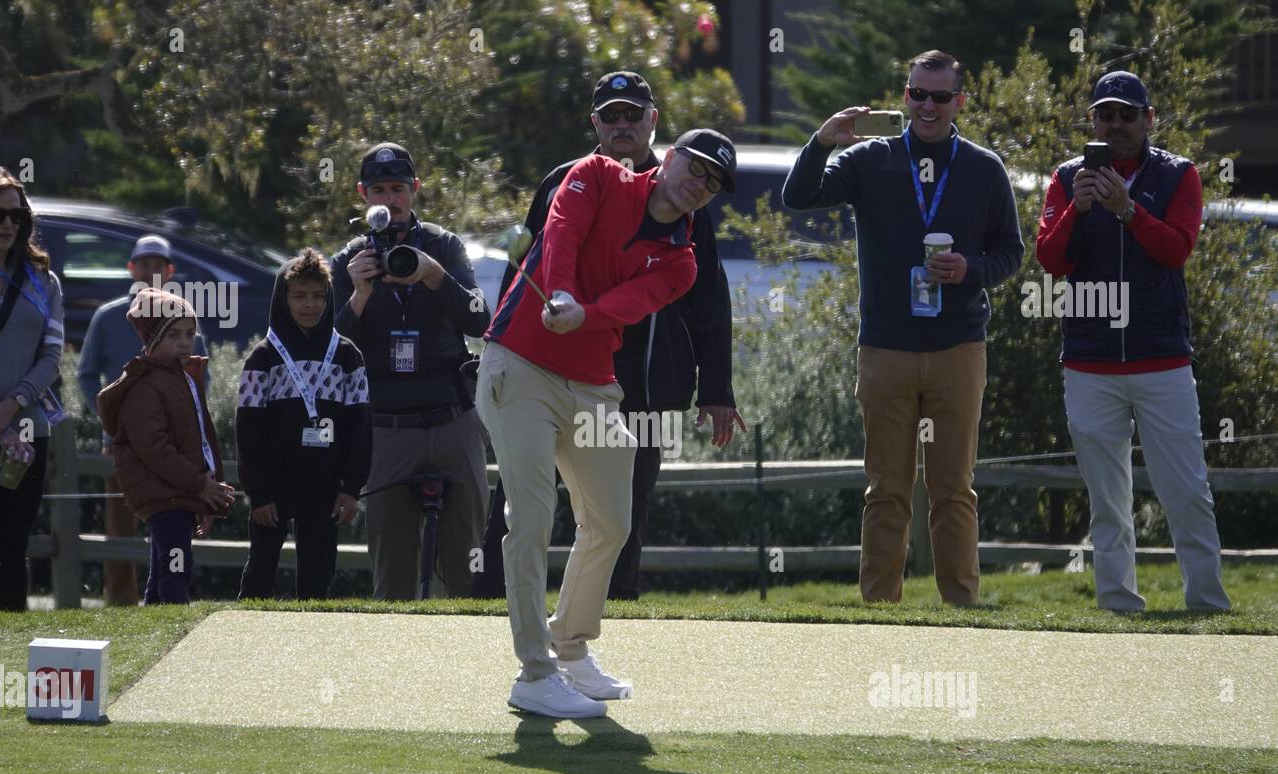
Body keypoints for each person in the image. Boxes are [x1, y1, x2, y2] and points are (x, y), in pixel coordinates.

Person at [478, 128, 736, 718]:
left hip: (593, 385)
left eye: (713, 182)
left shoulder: (682, 261)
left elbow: (631, 304)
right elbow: (562, 232)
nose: (700, 185)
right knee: (532, 517)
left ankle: (569, 645)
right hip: (518, 366)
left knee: (612, 522)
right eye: (695, 168)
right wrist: (562, 292)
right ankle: (534, 673)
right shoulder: (596, 174)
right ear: (669, 159)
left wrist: (585, 314)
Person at [472, 70, 745, 601]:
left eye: (633, 113)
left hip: (636, 388)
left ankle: (605, 625)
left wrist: (718, 389)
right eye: (611, 115)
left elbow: (708, 297)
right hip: (544, 367)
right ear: (595, 122)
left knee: (620, 517)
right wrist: (496, 343)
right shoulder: (570, 177)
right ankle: (489, 608)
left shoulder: (690, 194)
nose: (622, 124)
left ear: (653, 122)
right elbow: (531, 260)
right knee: (521, 501)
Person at [783, 50, 1024, 605]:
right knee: (887, 490)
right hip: (885, 348)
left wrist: (970, 270)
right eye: (918, 94)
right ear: (905, 94)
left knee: (953, 490)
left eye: (941, 96)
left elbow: (1011, 254)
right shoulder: (870, 159)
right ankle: (878, 611)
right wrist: (823, 141)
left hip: (958, 347)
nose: (927, 106)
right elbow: (797, 198)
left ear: (960, 101)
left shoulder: (984, 167)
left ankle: (961, 606)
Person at [1036, 71, 1230, 612]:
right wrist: (1080, 209)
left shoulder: (1179, 175)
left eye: (1126, 114)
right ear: (1093, 121)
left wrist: (1127, 209)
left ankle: (1208, 604)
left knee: (1187, 491)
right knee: (1107, 502)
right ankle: (1119, 603)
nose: (1115, 125)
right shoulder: (1067, 177)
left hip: (1161, 359)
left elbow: (1176, 250)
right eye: (1105, 114)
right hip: (1090, 363)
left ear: (1149, 119)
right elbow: (1051, 260)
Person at [330, 143, 489, 599]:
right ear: (363, 195)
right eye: (378, 190)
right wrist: (359, 294)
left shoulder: (444, 246)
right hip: (386, 429)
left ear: (415, 190)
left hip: (452, 418)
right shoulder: (347, 261)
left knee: (465, 569)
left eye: (398, 189)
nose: (389, 200)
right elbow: (328, 355)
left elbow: (481, 319)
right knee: (392, 576)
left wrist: (436, 276)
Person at [77, 235, 207, 606]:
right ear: (131, 268)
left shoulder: (183, 316)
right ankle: (121, 602)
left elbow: (200, 377)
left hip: (173, 446)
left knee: (171, 524)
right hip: (119, 443)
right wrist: (112, 422)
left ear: (170, 271)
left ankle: (156, 602)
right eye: (143, 263)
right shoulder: (108, 315)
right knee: (121, 526)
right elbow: (86, 375)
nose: (151, 270)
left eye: (159, 264)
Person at [236, 248, 372, 599]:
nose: (310, 305)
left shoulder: (347, 355)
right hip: (273, 487)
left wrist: (351, 487)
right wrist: (258, 492)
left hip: (326, 487)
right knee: (259, 574)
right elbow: (247, 429)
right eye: (299, 296)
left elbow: (360, 426)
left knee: (317, 577)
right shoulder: (262, 358)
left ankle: (313, 647)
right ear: (283, 299)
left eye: (318, 296)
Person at [97, 289, 235, 604]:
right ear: (152, 340)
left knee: (163, 570)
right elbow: (155, 450)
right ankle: (174, 622)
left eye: (190, 333)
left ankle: (157, 621)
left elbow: (197, 438)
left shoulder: (183, 379)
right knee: (176, 566)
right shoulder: (144, 386)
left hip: (180, 493)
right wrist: (199, 485)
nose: (185, 342)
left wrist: (202, 494)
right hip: (164, 494)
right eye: (173, 334)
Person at [0, 166, 64, 613]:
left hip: (26, 430)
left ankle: (11, 644)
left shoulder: (43, 281)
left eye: (18, 216)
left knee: (13, 545)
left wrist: (12, 406)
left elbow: (52, 358)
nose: (8, 224)